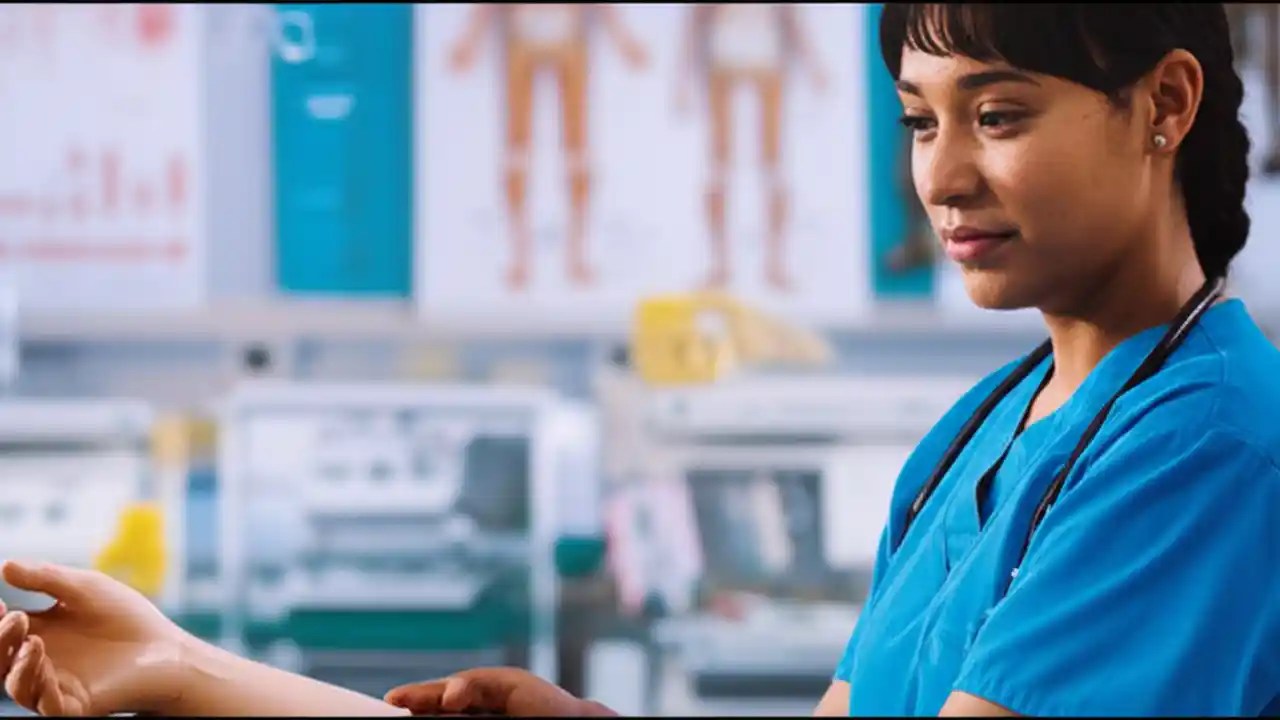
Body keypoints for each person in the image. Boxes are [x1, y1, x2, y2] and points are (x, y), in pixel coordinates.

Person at [4, 3, 1280, 717]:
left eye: (995, 116)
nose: (938, 177)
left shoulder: (1203, 448)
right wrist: (188, 673)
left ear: (1164, 106)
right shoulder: (983, 426)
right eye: (915, 122)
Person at [446, 4, 648, 291]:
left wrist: (624, 40)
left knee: (576, 152)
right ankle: (521, 258)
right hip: (524, 41)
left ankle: (576, 256)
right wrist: (469, 39)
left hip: (567, 40)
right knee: (518, 151)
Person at [675, 4, 827, 292]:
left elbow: (790, 17)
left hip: (765, 61)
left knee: (772, 167)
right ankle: (719, 263)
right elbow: (697, 19)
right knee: (719, 167)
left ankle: (774, 263)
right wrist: (682, 78)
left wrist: (813, 64)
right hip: (725, 61)